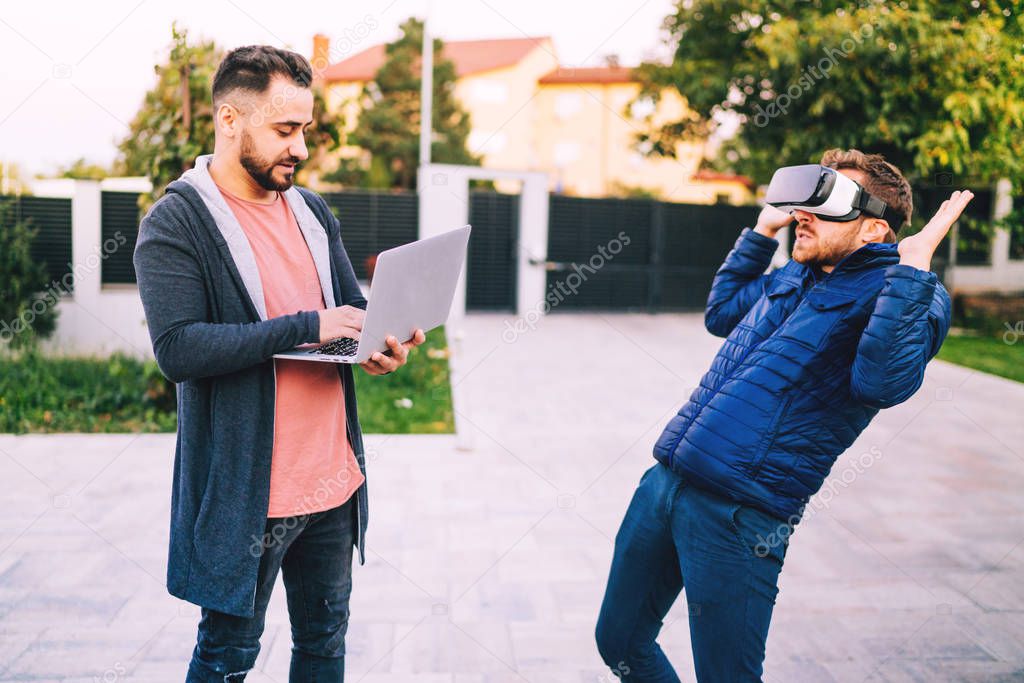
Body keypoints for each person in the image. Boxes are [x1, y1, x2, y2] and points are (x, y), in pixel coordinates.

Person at [595, 148, 973, 681]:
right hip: (664, 485)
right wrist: (760, 232)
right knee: (619, 641)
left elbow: (882, 382)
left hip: (740, 516)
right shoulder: (797, 273)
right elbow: (722, 313)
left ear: (872, 230)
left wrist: (913, 268)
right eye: (805, 198)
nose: (803, 213)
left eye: (826, 202)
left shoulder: (911, 292)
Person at [133, 45, 425, 681]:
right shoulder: (176, 223)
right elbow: (179, 349)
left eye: (305, 131)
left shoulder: (311, 211)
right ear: (231, 120)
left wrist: (378, 343)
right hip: (249, 494)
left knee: (324, 644)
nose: (300, 147)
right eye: (284, 130)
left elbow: (350, 307)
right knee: (227, 655)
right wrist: (306, 326)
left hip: (332, 482)